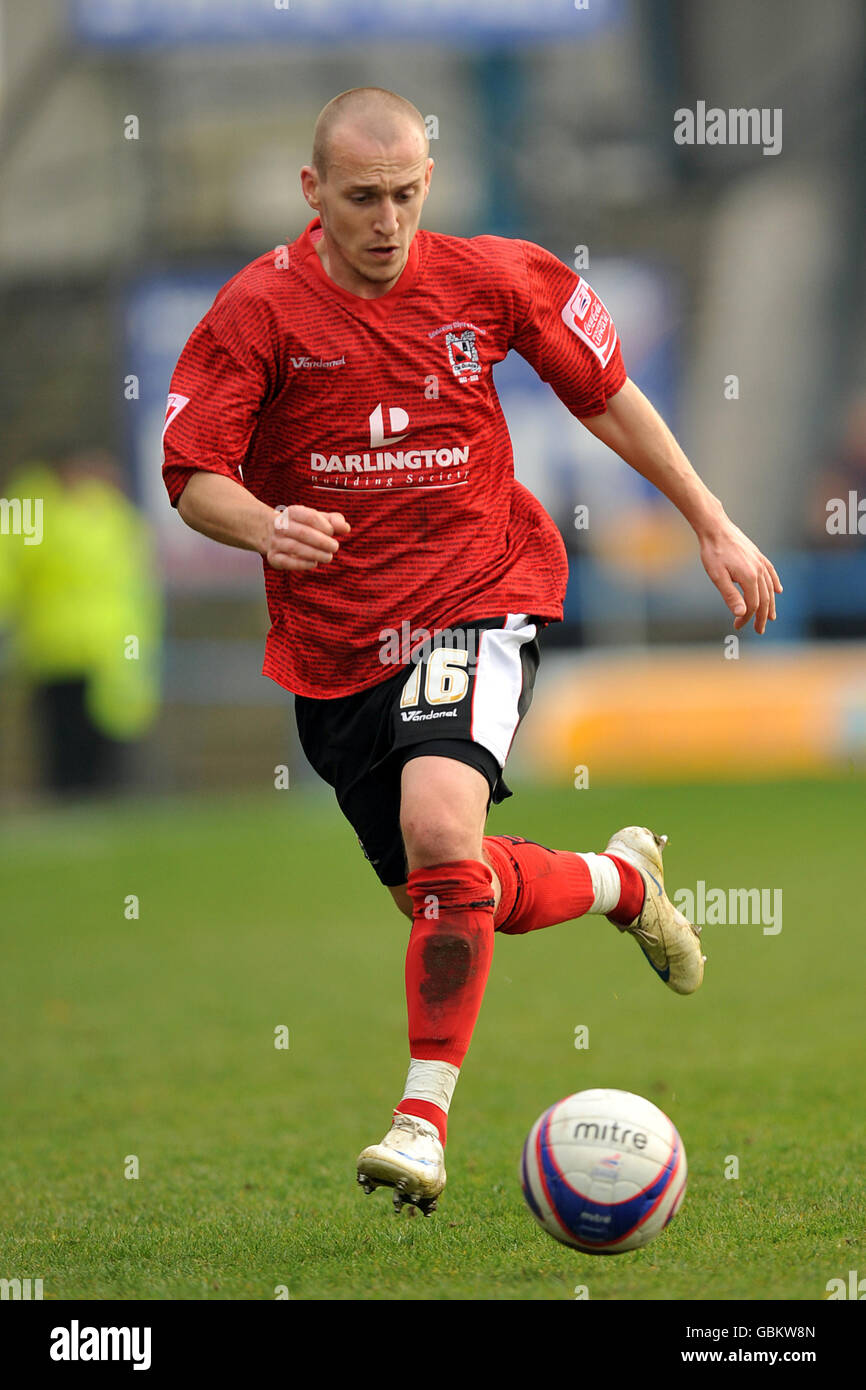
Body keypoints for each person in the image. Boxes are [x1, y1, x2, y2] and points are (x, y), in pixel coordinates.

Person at [161, 87, 782, 1215]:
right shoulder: (257, 309)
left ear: (428, 186)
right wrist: (268, 523)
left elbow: (605, 394)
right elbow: (193, 473)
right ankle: (618, 879)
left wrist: (708, 517)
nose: (386, 220)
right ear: (313, 194)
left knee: (444, 831)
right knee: (445, 893)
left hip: (477, 594)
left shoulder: (492, 278)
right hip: (334, 647)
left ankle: (421, 1122)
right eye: (361, 198)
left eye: (404, 194)